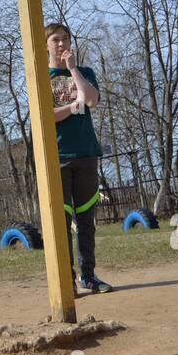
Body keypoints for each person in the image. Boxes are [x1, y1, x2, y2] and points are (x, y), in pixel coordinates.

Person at [45, 23, 112, 295]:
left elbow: (93, 100)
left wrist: (73, 70)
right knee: (61, 223)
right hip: (58, 156)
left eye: (65, 39)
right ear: (46, 46)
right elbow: (45, 116)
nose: (61, 45)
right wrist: (72, 107)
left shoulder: (84, 72)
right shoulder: (41, 76)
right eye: (55, 40)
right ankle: (67, 281)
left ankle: (89, 276)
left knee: (86, 220)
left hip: (86, 153)